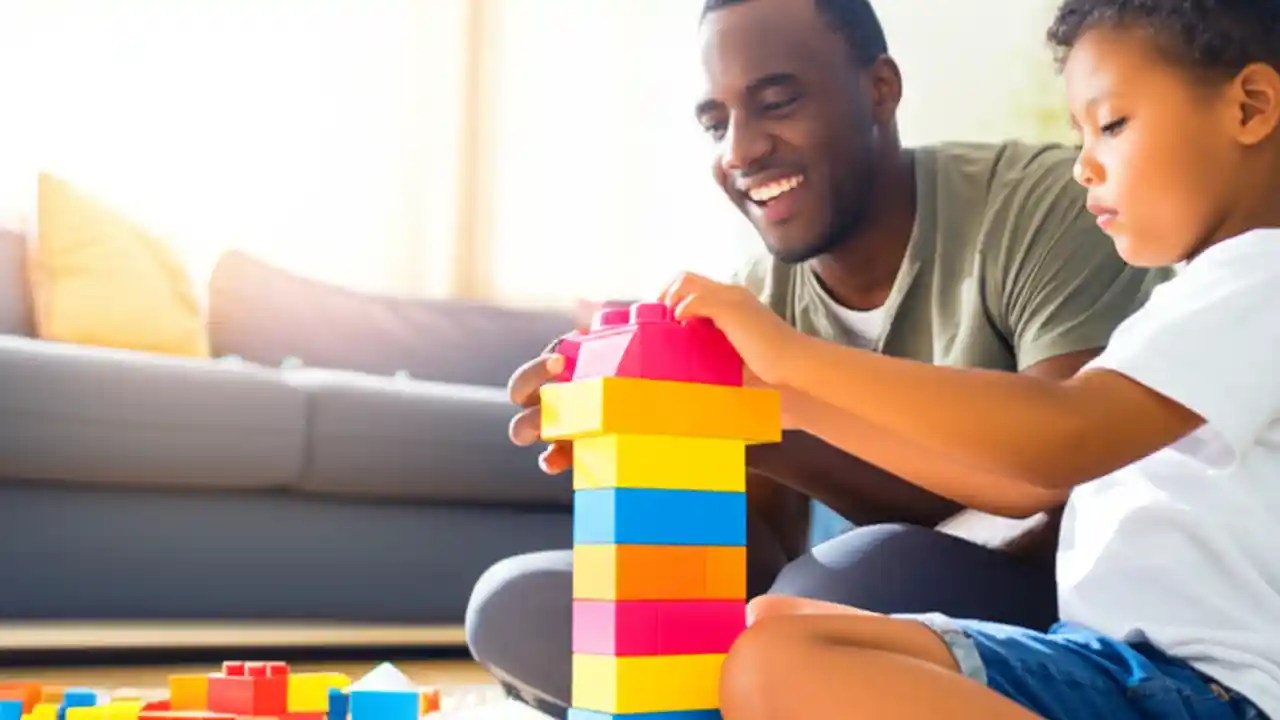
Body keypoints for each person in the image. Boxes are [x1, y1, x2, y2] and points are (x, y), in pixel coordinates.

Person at [466, 0, 1171, 715]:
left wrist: (774, 422)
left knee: (832, 598)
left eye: (776, 102)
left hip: (1039, 610)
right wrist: (644, 436)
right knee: (518, 607)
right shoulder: (752, 298)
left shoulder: (1043, 207)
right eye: (716, 124)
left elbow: (1057, 490)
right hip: (837, 615)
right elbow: (755, 564)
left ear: (880, 90)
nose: (740, 150)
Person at [664, 0, 1280, 717]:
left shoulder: (1262, 278)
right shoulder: (1203, 295)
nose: (1084, 166)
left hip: (1209, 692)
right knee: (780, 633)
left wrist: (789, 357)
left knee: (780, 666)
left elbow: (1059, 438)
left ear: (1251, 106)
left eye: (1111, 124)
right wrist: (780, 400)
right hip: (1111, 663)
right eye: (1079, 133)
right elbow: (1015, 485)